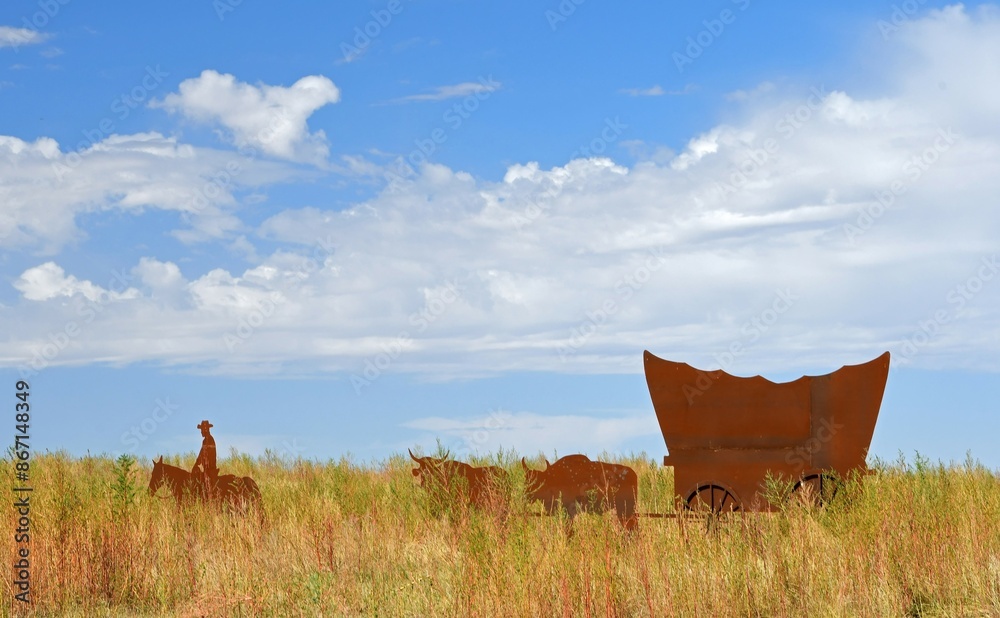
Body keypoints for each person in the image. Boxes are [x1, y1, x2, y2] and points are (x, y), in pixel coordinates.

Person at [192, 420, 218, 497]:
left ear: (205, 430)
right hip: (207, 467)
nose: (201, 432)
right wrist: (197, 463)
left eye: (202, 430)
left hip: (210, 468)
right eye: (201, 430)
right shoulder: (206, 440)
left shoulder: (209, 439)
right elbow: (201, 454)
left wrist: (198, 463)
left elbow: (204, 454)